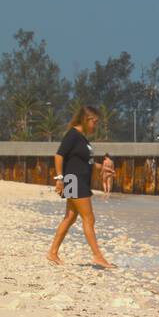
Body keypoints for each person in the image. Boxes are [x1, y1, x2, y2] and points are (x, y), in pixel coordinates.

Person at [47, 106, 114, 268]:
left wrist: (102, 168)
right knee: (89, 218)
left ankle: (52, 252)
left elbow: (87, 162)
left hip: (78, 180)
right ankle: (97, 256)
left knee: (70, 217)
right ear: (86, 119)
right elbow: (59, 155)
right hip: (73, 180)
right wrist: (59, 179)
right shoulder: (73, 135)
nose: (95, 126)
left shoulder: (82, 138)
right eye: (95, 122)